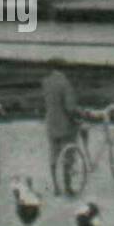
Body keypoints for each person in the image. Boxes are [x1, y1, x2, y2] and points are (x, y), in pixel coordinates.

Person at [42, 60, 80, 193]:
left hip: (51, 123)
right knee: (68, 156)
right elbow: (70, 108)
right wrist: (76, 117)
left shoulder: (46, 82)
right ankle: (67, 186)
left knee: (54, 154)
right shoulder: (65, 84)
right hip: (65, 125)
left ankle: (56, 186)